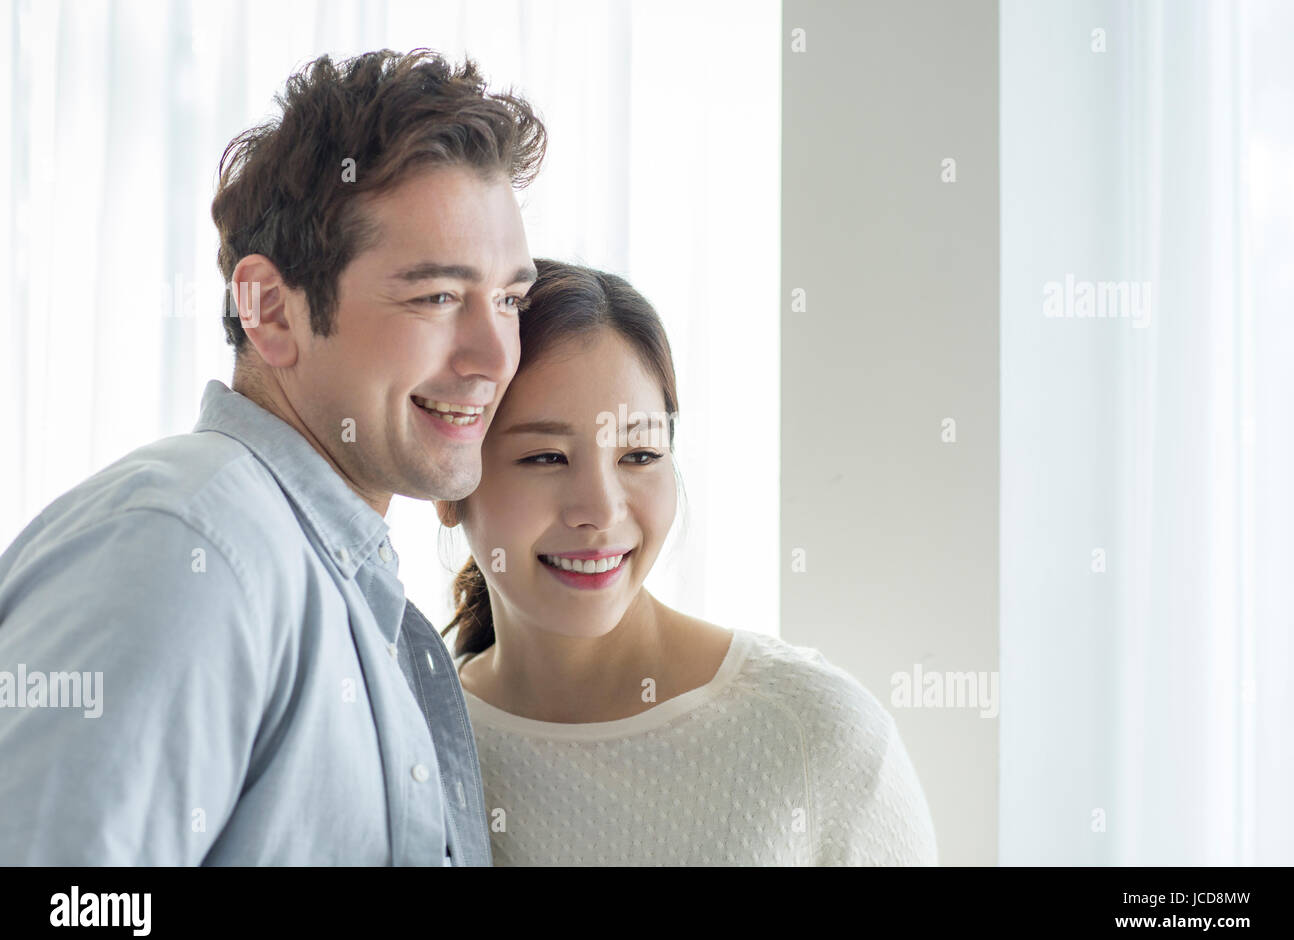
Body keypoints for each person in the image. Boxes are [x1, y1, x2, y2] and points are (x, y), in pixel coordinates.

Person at [0, 49, 544, 865]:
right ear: (269, 310)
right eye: (436, 296)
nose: (494, 355)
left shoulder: (329, 579)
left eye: (508, 299)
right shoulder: (188, 552)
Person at [438, 259, 940, 865]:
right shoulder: (416, 742)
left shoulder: (817, 735)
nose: (599, 509)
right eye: (545, 457)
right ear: (449, 480)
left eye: (641, 454)